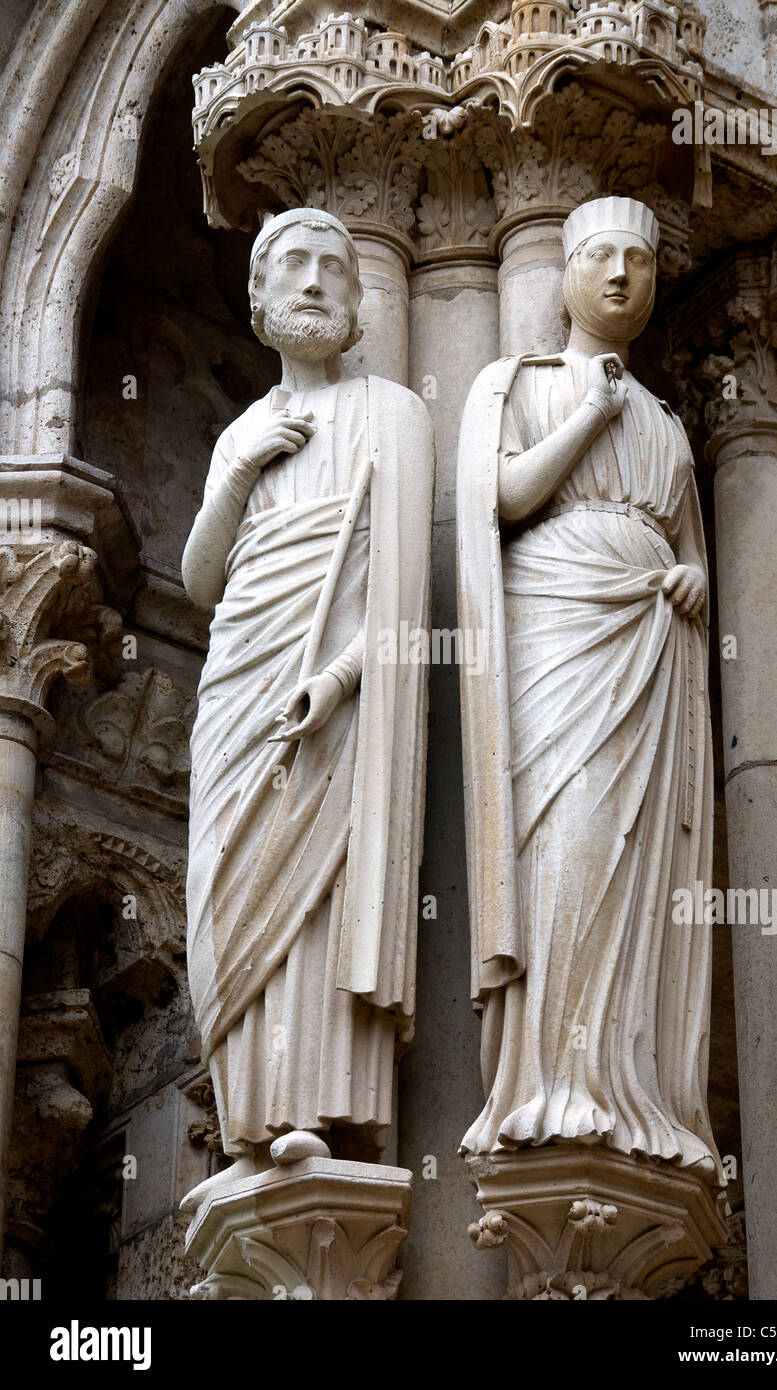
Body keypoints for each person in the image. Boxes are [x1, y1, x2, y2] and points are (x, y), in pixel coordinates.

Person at [457, 196, 721, 1178]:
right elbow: (506, 497)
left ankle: (625, 1085)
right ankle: (544, 1077)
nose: (620, 275)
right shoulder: (515, 383)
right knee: (563, 843)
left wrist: (691, 573)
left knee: (634, 865)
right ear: (563, 271)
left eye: (640, 263)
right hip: (556, 639)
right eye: (599, 257)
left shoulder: (667, 424)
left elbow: (687, 541)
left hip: (645, 655)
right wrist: (592, 413)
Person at [180, 208, 434, 1209]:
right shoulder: (241, 431)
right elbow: (201, 582)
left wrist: (334, 683)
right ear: (257, 296)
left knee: (315, 896)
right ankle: (244, 1119)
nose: (318, 281)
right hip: (239, 690)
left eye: (337, 266)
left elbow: (408, 593)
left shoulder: (393, 414)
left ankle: (312, 1112)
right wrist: (238, 473)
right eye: (295, 263)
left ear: (362, 299)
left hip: (332, 705)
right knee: (226, 886)